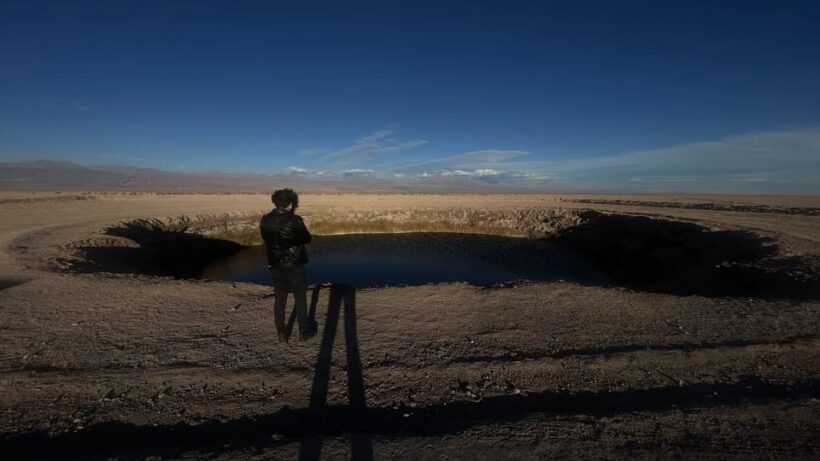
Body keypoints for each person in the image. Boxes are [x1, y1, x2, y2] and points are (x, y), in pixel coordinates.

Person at [260, 188, 317, 342]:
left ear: (275, 202)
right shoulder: (295, 219)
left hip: (275, 266)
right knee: (300, 298)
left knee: (280, 300)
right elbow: (307, 238)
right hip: (295, 265)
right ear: (290, 203)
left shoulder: (265, 220)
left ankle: (281, 334)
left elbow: (268, 242)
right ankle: (303, 332)